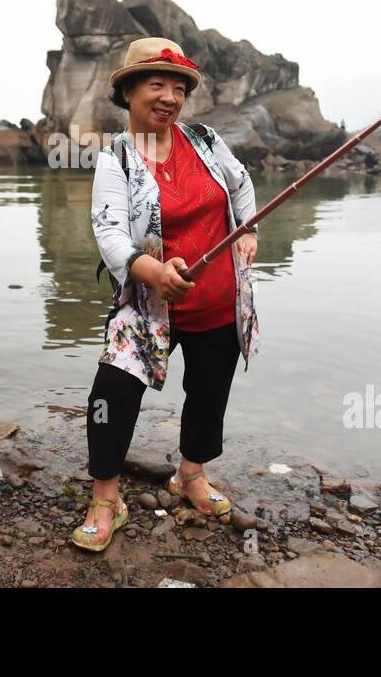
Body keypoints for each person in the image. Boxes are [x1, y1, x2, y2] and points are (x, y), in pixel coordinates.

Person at [78, 36, 260, 552]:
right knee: (111, 397)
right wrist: (152, 271)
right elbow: (110, 232)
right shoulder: (115, 158)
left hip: (220, 300)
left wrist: (247, 230)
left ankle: (190, 475)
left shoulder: (203, 138)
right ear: (130, 91)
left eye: (178, 87)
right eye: (156, 83)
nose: (169, 97)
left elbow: (241, 184)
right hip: (148, 305)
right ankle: (106, 496)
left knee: (208, 392)